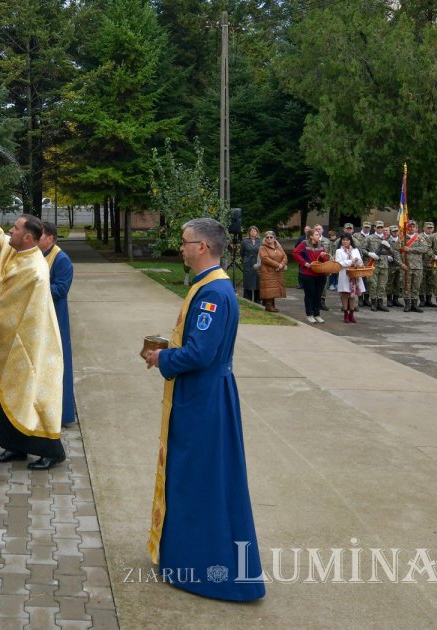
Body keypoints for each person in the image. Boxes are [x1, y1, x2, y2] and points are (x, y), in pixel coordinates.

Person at [142, 217, 265, 602]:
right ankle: (184, 556)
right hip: (203, 393)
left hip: (203, 398)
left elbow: (200, 352)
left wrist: (162, 358)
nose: (180, 247)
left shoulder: (214, 293)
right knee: (193, 476)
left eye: (185, 241)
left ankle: (208, 569)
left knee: (201, 479)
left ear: (203, 247)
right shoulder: (208, 285)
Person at [0, 182, 66, 469]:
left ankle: (52, 451)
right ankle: (14, 446)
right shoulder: (20, 252)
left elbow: (0, 303)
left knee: (34, 394)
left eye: (15, 228)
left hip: (32, 348)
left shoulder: (34, 270)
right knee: (9, 392)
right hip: (15, 344)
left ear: (28, 237)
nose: (9, 230)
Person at [39, 222, 77, 427]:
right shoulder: (39, 255)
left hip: (56, 319)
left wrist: (36, 288)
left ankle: (63, 414)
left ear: (51, 238)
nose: (37, 239)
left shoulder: (61, 259)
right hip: (41, 317)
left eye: (41, 235)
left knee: (59, 364)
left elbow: (61, 289)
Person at [292, 232, 329, 323]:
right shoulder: (304, 243)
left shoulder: (321, 245)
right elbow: (295, 253)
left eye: (319, 235)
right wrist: (305, 263)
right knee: (309, 295)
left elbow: (324, 260)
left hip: (320, 274)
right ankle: (309, 314)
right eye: (316, 234)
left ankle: (317, 314)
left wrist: (322, 257)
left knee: (318, 295)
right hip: (308, 274)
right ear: (311, 236)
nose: (318, 236)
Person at [334, 233, 365, 323]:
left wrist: (358, 261)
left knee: (352, 295)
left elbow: (360, 262)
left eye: (347, 240)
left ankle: (351, 313)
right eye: (343, 240)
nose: (345, 242)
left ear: (350, 241)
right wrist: (351, 261)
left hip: (354, 275)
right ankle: (345, 314)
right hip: (344, 274)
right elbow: (339, 263)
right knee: (345, 294)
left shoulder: (355, 250)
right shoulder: (339, 251)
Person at [400, 220, 429, 312]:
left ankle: (415, 304)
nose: (411, 228)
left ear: (416, 228)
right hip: (406, 266)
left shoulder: (420, 238)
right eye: (409, 226)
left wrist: (410, 249)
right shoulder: (402, 238)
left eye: (413, 227)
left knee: (416, 286)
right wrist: (401, 264)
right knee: (406, 286)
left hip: (418, 266)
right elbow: (396, 251)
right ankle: (407, 304)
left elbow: (424, 249)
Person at [258, 231, 287, 312]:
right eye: (267, 237)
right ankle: (268, 305)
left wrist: (282, 264)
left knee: (274, 289)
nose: (269, 239)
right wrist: (277, 265)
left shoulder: (278, 247)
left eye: (271, 237)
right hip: (268, 272)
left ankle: (272, 305)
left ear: (274, 238)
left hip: (277, 271)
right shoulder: (263, 248)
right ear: (265, 239)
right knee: (269, 289)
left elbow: (285, 256)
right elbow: (265, 259)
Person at [240, 226, 262, 303]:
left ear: (257, 232)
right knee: (248, 282)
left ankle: (258, 300)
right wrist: (245, 260)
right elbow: (242, 253)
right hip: (248, 264)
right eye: (252, 231)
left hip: (258, 263)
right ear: (249, 232)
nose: (253, 232)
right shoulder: (245, 241)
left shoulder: (260, 241)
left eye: (255, 231)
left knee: (258, 282)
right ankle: (247, 299)